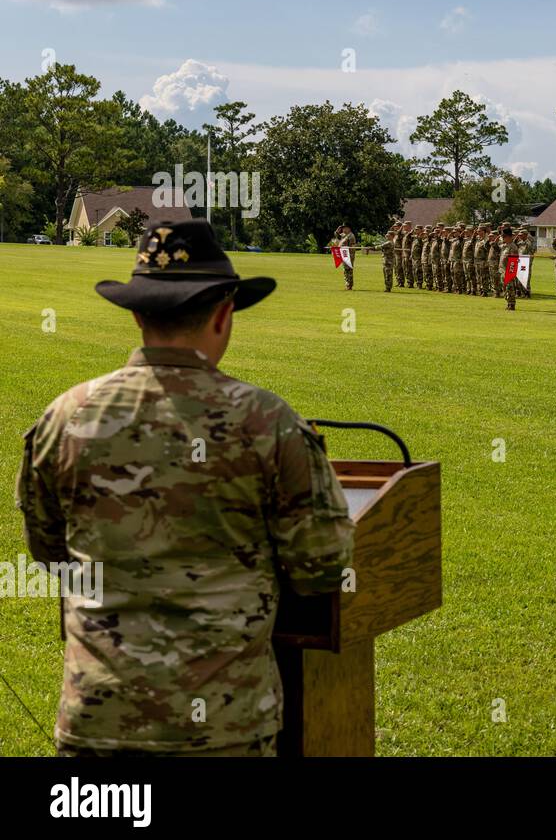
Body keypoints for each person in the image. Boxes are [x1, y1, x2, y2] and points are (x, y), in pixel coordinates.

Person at [17, 220, 354, 757]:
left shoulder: (65, 416)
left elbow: (50, 551)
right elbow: (320, 568)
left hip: (98, 722)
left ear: (135, 313)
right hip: (224, 727)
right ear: (224, 313)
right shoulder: (269, 422)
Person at [500, 227, 520, 311]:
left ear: (509, 237)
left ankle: (512, 304)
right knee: (505, 288)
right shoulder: (505, 246)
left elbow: (513, 261)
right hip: (503, 270)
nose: (503, 238)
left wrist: (510, 273)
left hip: (509, 270)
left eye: (504, 236)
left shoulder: (513, 247)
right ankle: (508, 302)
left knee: (510, 288)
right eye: (502, 236)